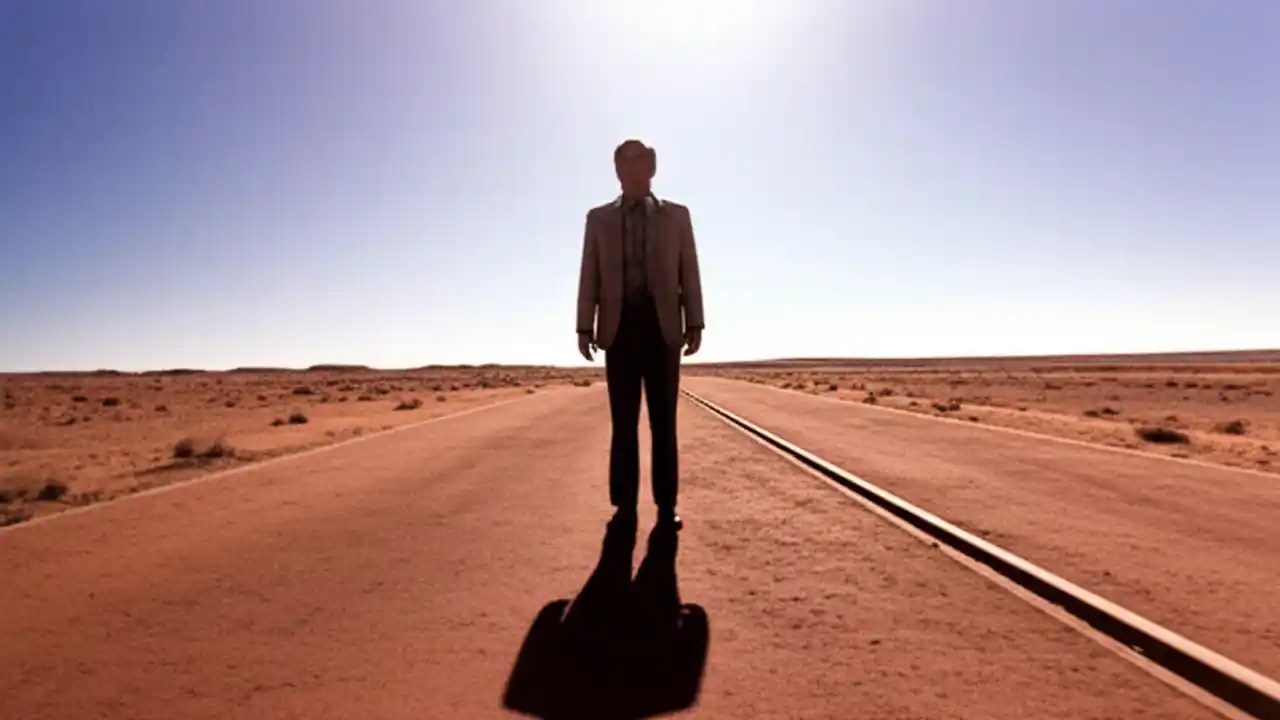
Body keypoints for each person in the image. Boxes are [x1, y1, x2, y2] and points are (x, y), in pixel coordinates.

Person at [576, 138, 704, 531]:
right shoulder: (599, 219)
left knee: (664, 424)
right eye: (624, 162)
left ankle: (666, 506)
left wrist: (695, 321)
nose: (632, 168)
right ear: (616, 171)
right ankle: (624, 506)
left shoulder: (677, 216)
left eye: (639, 161)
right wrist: (584, 325)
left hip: (663, 329)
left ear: (653, 167)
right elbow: (589, 272)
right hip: (619, 330)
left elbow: (689, 269)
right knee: (623, 424)